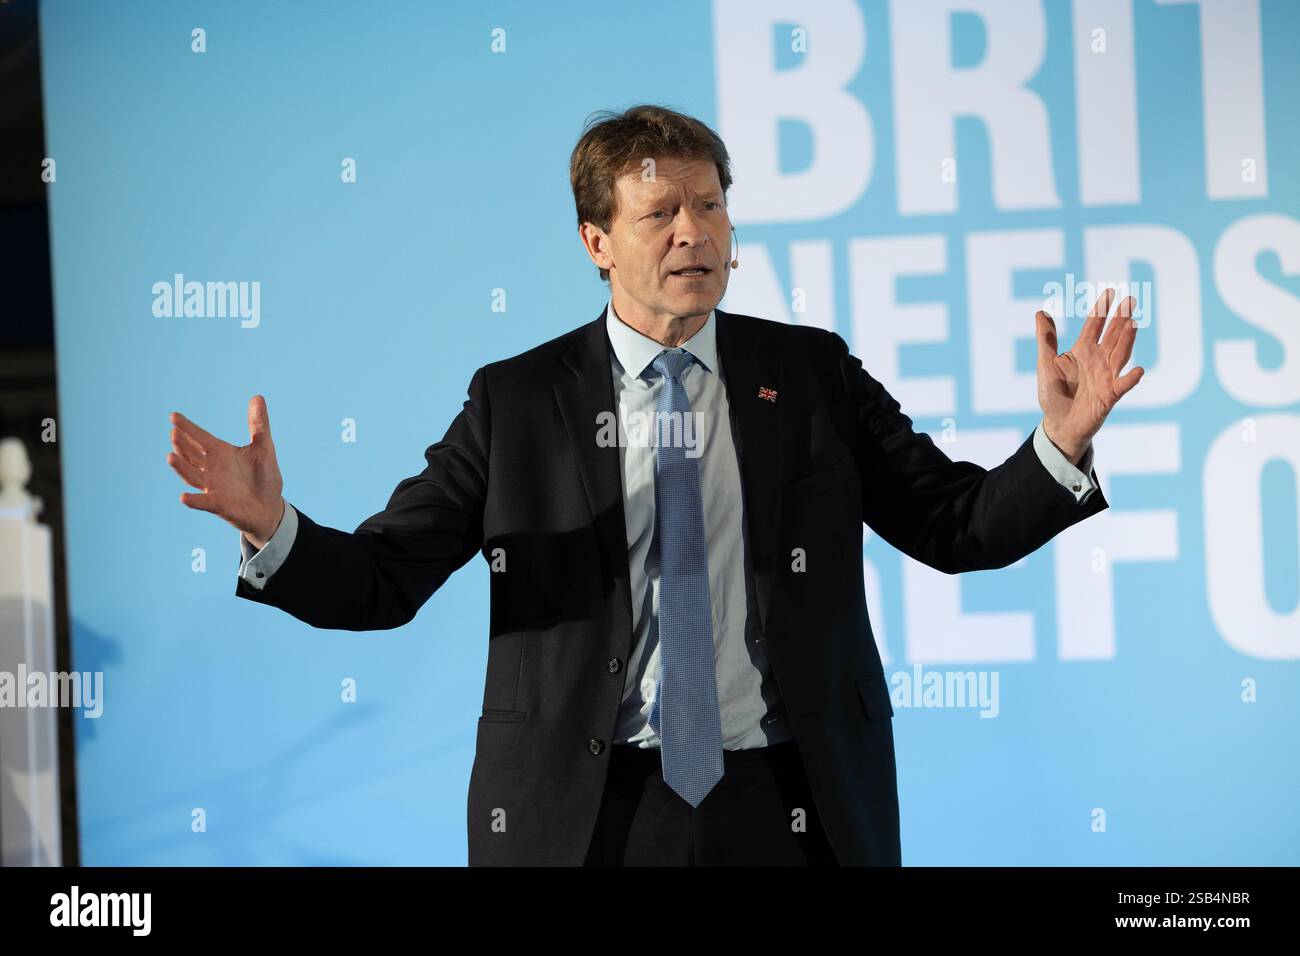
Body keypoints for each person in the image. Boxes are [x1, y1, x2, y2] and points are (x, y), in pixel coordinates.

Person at [165, 105, 1143, 866]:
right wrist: (273, 526)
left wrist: (1055, 444)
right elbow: (383, 578)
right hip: (591, 815)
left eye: (710, 204)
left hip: (790, 805)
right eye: (659, 212)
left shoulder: (811, 376)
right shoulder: (518, 403)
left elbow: (954, 523)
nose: (692, 231)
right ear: (597, 242)